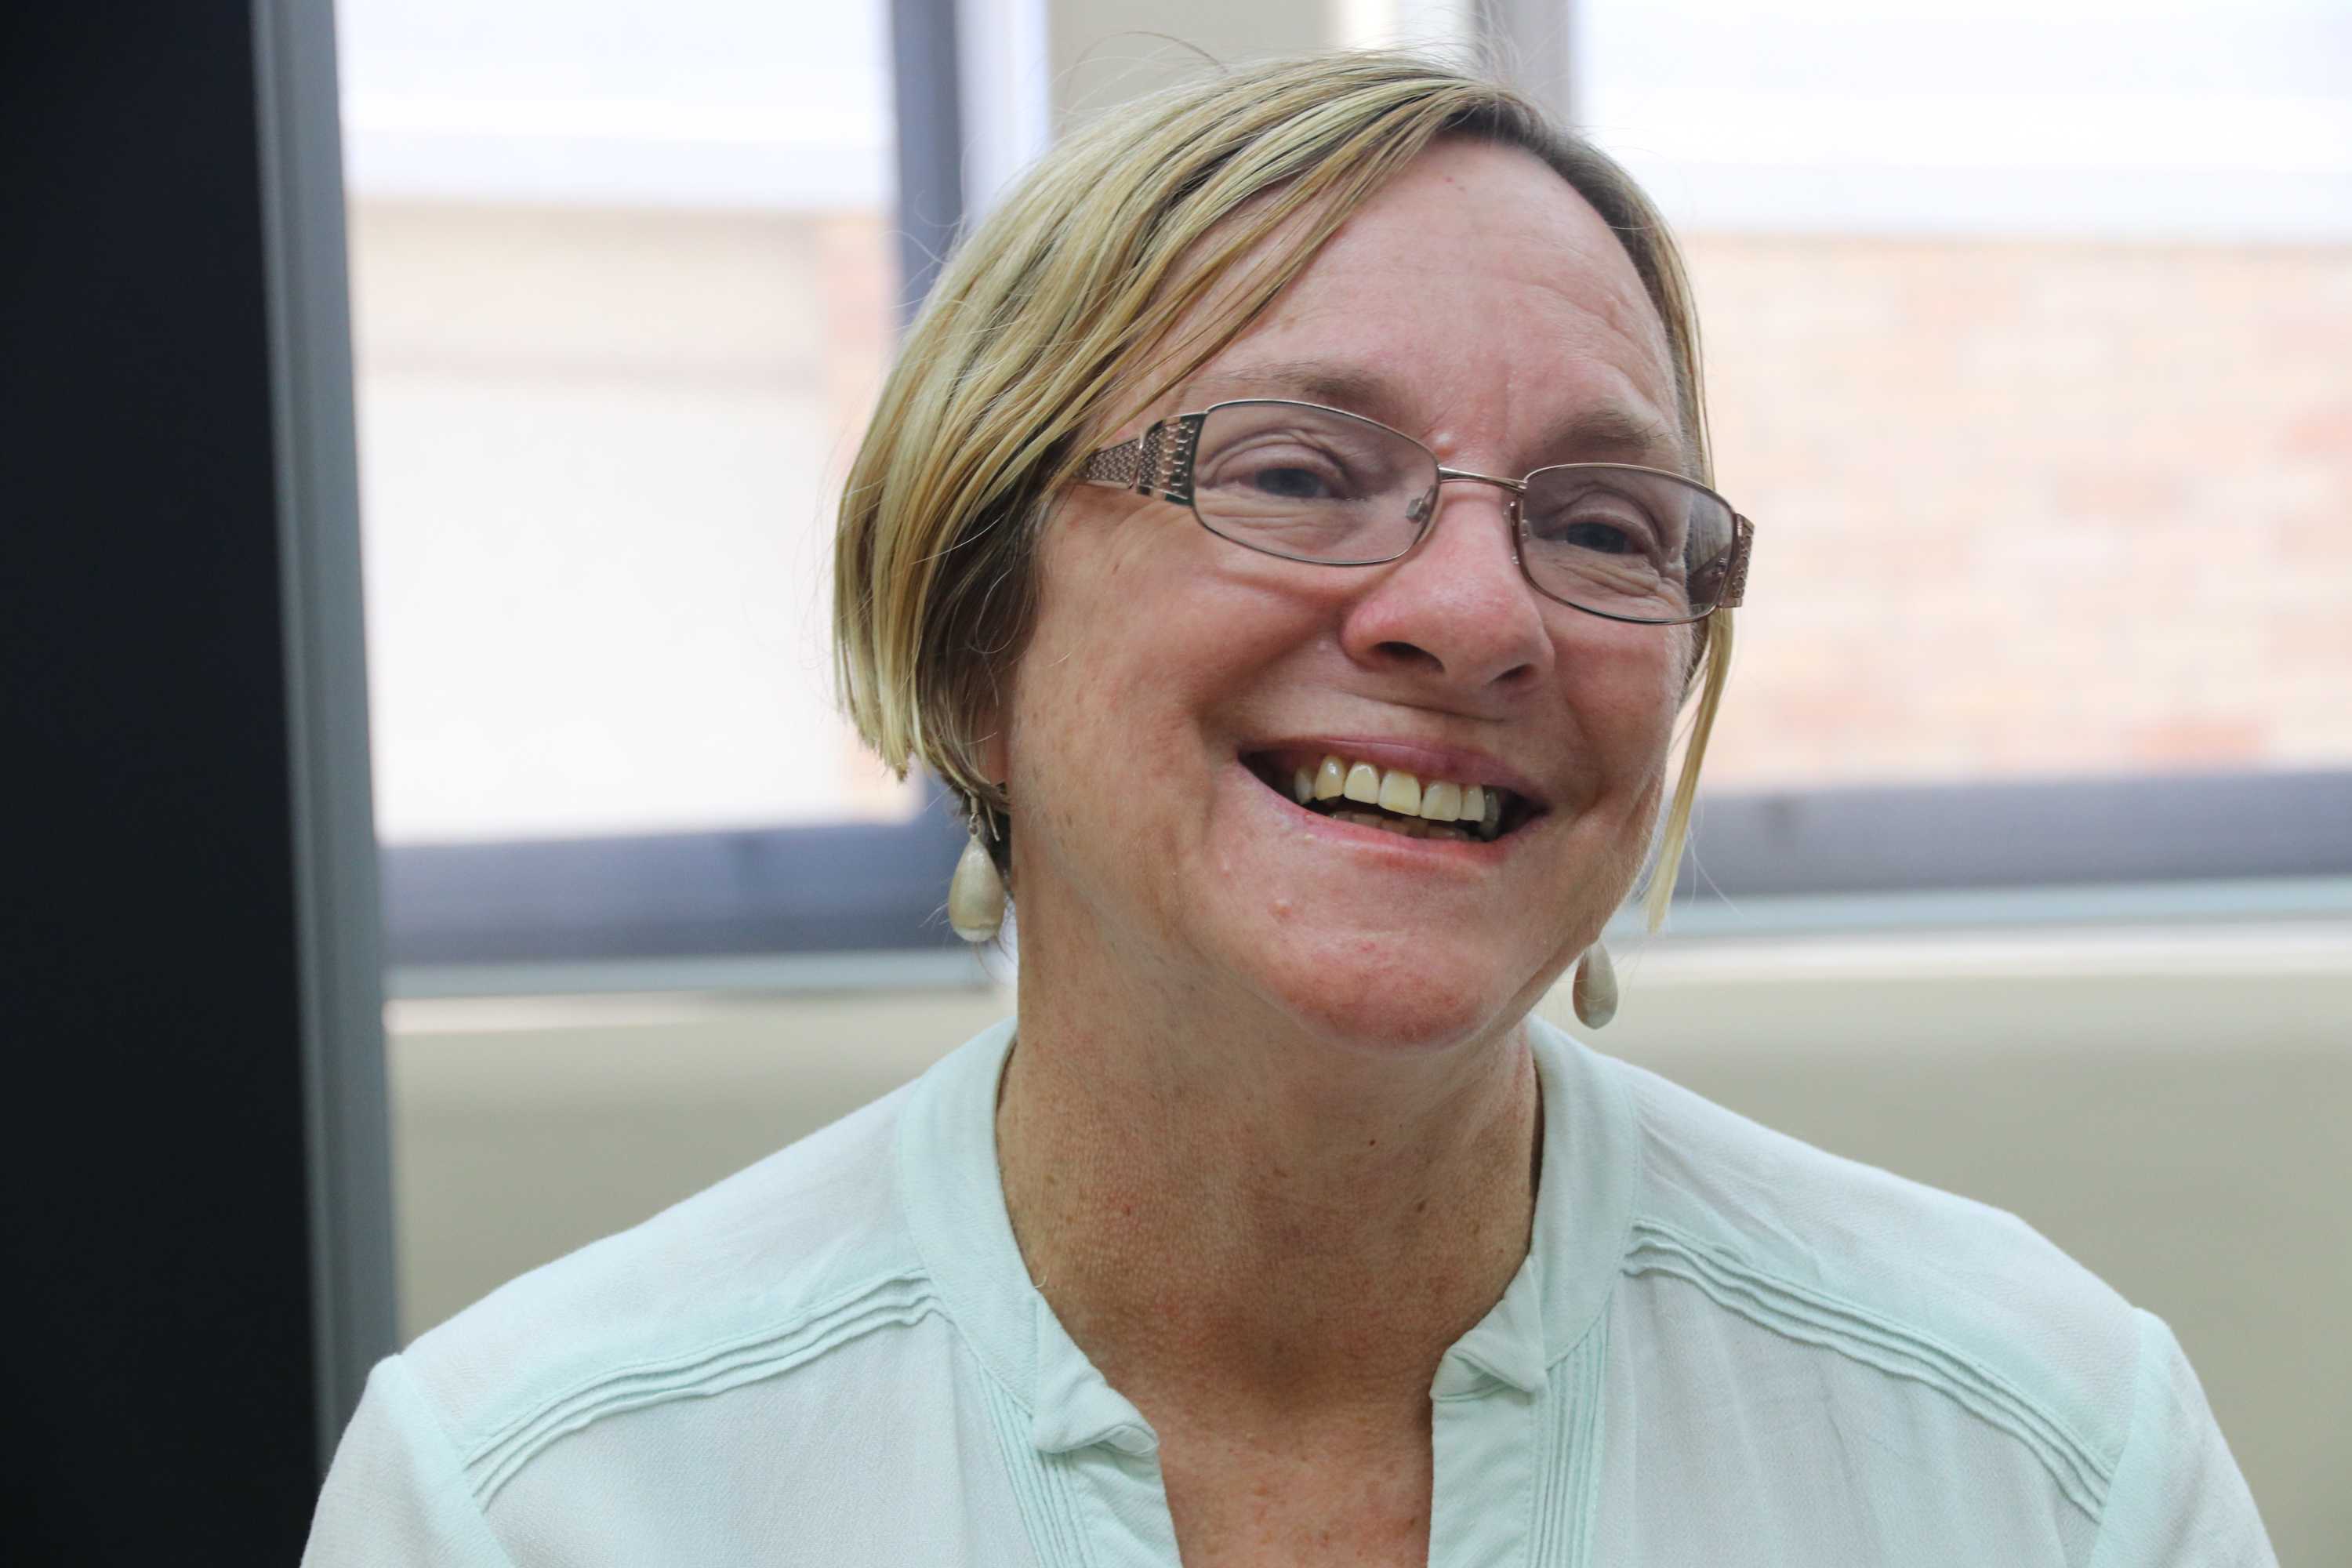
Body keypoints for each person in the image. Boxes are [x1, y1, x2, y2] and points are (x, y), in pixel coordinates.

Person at [303, 51, 2277, 1566]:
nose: (1472, 615)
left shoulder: (2035, 1451)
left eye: (1600, 524)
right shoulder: (543, 1496)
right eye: (1296, 471)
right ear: (975, 621)